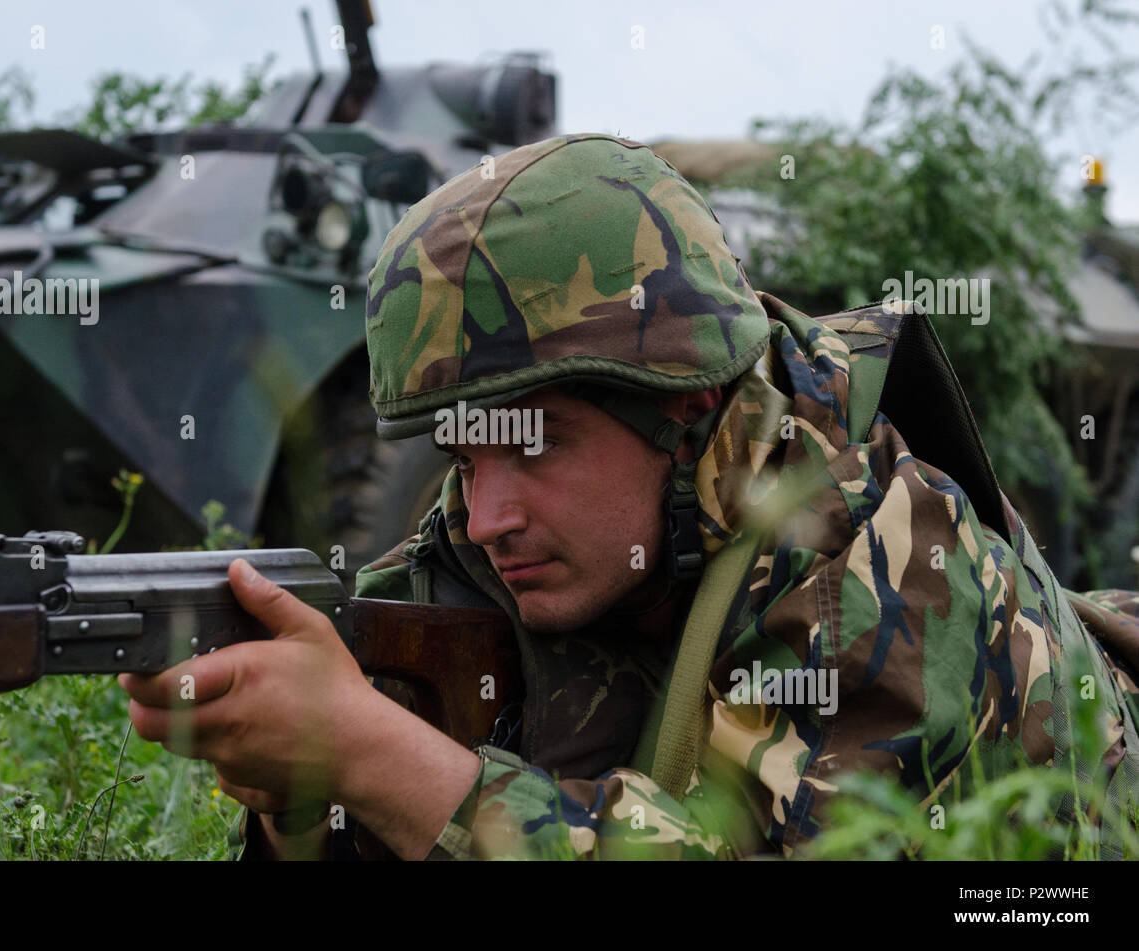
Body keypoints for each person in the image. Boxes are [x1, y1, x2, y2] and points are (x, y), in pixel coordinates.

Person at [119, 133, 1139, 860]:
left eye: (536, 447)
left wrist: (378, 758)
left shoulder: (884, 562)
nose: (486, 517)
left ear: (683, 405)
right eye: (464, 457)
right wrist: (306, 801)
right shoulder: (485, 552)